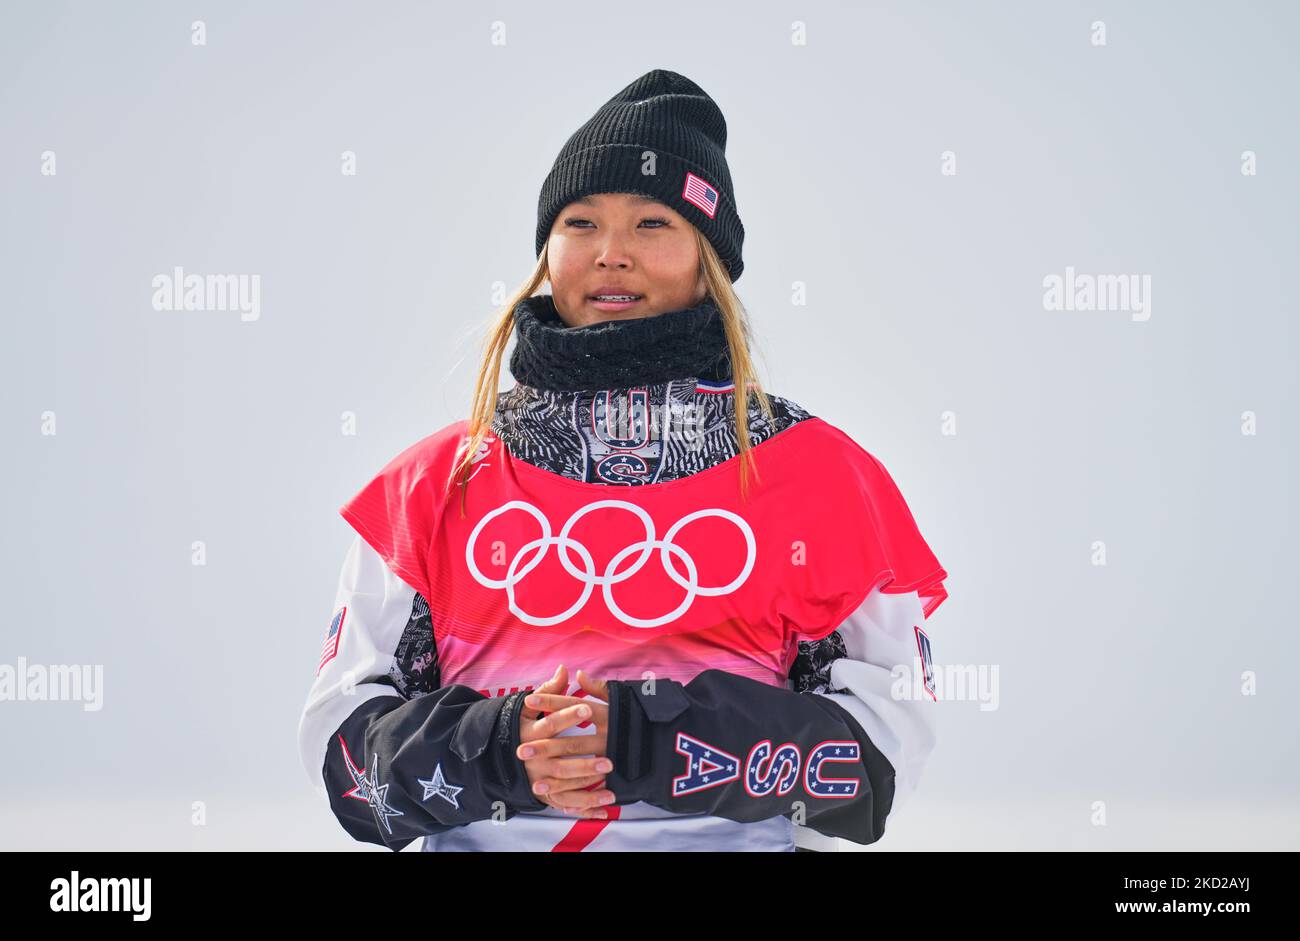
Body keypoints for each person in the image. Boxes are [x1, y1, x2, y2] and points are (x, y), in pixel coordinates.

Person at [296, 69, 949, 852]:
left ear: (710, 258)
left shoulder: (819, 477)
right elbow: (343, 756)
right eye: (580, 222)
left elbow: (880, 761)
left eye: (651, 223)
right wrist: (504, 747)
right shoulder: (430, 486)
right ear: (547, 251)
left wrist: (650, 740)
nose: (611, 254)